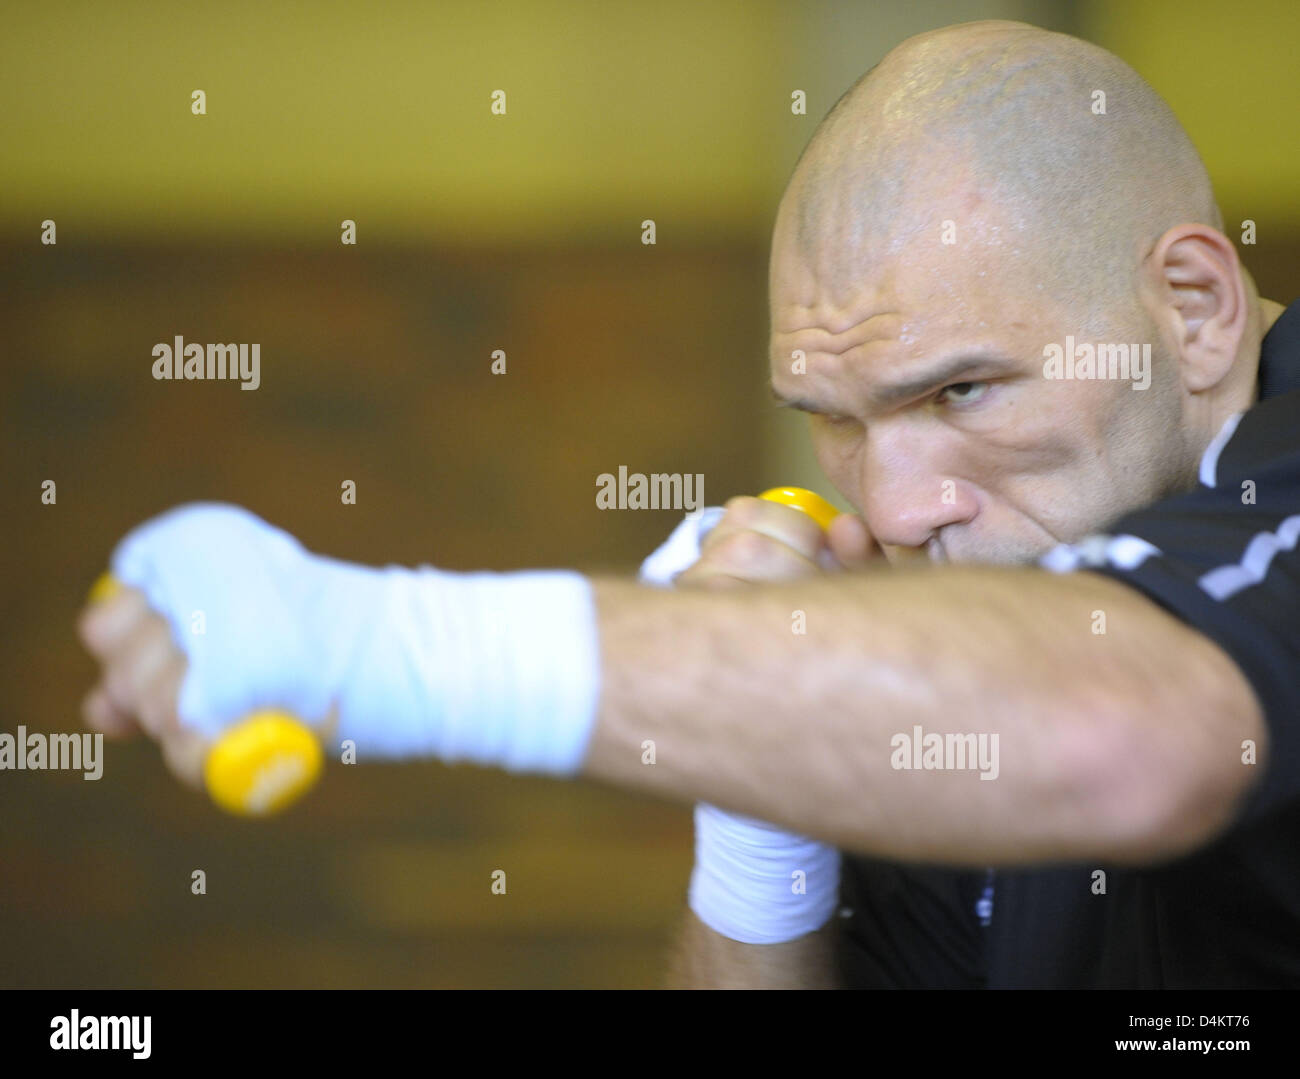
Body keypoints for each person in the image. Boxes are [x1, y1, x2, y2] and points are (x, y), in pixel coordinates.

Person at [77, 20, 1299, 988]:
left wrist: (376, 642)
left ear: (1191, 308)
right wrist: (760, 821)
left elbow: (1128, 738)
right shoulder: (994, 665)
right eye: (835, 416)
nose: (894, 502)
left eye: (963, 388)